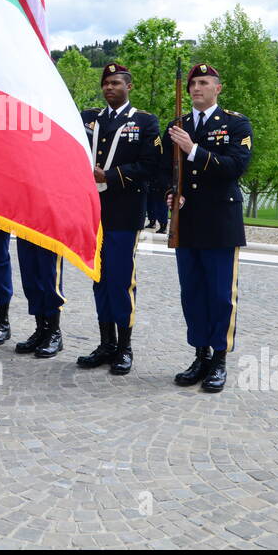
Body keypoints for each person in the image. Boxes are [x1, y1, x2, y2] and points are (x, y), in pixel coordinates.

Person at [161, 63, 252, 394]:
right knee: (193, 293)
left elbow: (235, 167)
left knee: (219, 294)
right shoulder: (177, 125)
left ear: (218, 88)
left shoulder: (234, 123)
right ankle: (199, 355)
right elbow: (162, 170)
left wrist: (193, 150)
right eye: (192, 84)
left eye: (203, 83)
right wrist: (170, 191)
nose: (196, 88)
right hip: (187, 223)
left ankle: (219, 360)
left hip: (220, 222)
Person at [75, 63, 163, 375]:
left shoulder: (144, 121)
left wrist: (111, 176)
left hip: (124, 211)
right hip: (92, 211)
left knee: (121, 279)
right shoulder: (88, 119)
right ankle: (106, 344)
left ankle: (124, 347)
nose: (109, 87)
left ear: (129, 86)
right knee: (99, 278)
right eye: (106, 83)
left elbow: (151, 165)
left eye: (116, 83)